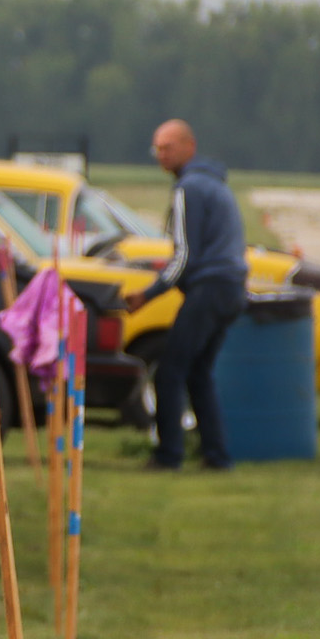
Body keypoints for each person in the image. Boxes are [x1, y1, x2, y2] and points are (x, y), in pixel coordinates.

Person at [124, 120, 248, 470]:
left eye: (168, 147)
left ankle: (168, 455)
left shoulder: (187, 189)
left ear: (189, 146)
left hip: (209, 288)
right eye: (157, 149)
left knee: (169, 373)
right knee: (199, 373)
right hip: (232, 288)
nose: (161, 155)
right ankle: (217, 455)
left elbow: (183, 255)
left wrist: (147, 294)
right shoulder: (216, 185)